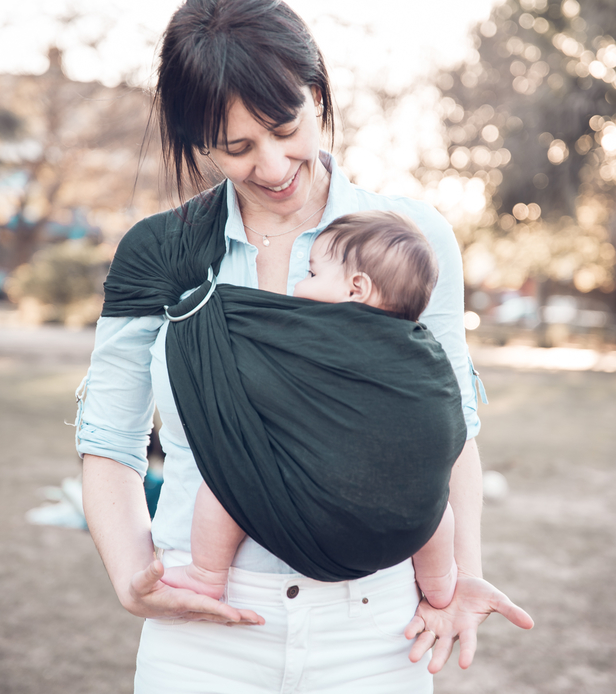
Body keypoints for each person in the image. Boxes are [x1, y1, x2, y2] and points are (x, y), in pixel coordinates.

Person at [77, 0, 533, 694]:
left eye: (287, 129)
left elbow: (446, 423)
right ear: (195, 141)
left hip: (374, 635)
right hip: (206, 633)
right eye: (235, 147)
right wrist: (129, 574)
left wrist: (460, 573)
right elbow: (105, 434)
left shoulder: (408, 240)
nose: (274, 168)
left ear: (317, 93)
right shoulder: (164, 255)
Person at [161, 209, 458, 611]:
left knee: (227, 476)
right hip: (405, 526)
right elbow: (446, 420)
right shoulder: (425, 354)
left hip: (316, 515)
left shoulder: (312, 332)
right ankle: (439, 583)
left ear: (357, 287)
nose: (299, 288)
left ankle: (207, 575)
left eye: (313, 275)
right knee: (435, 500)